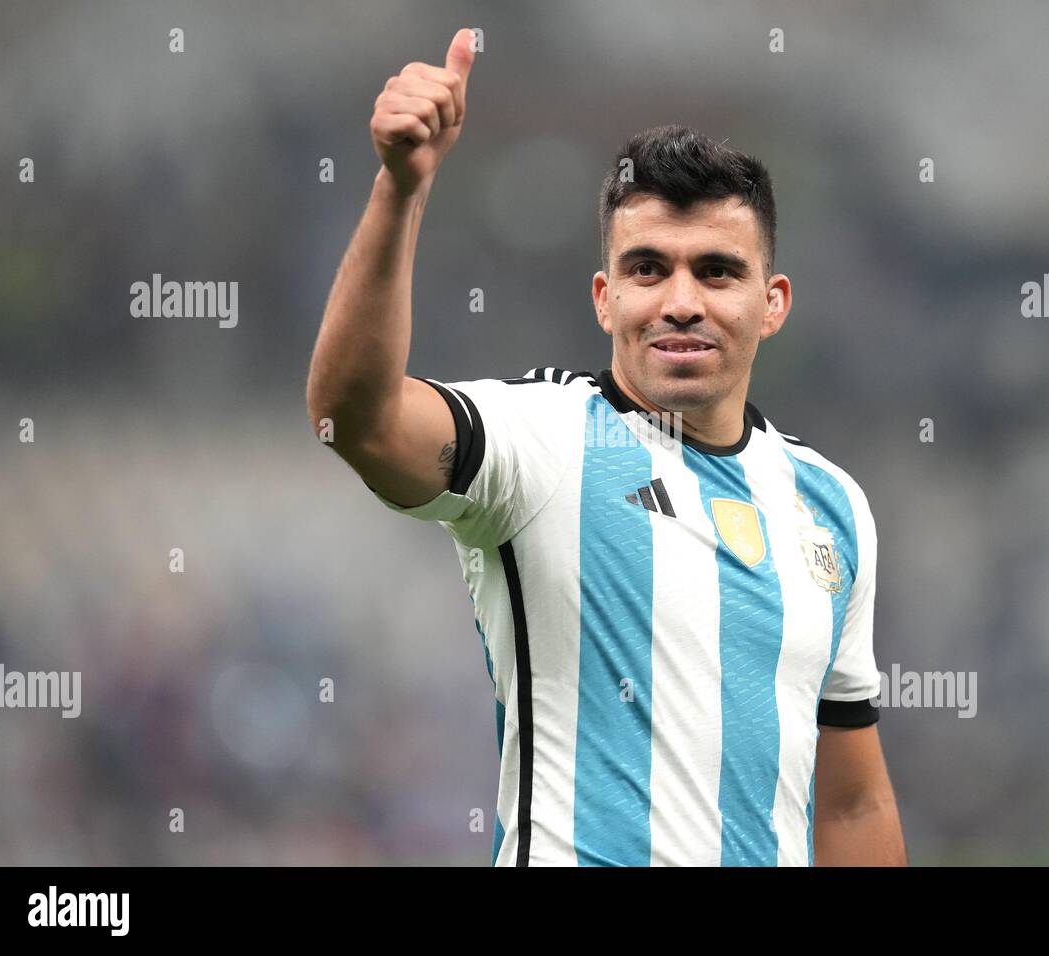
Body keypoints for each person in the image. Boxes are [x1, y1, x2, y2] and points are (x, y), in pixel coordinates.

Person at [306, 28, 906, 867]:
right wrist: (400, 189)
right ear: (605, 297)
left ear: (773, 304)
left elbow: (851, 804)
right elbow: (353, 417)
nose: (682, 301)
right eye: (649, 268)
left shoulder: (831, 506)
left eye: (718, 272)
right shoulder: (541, 440)